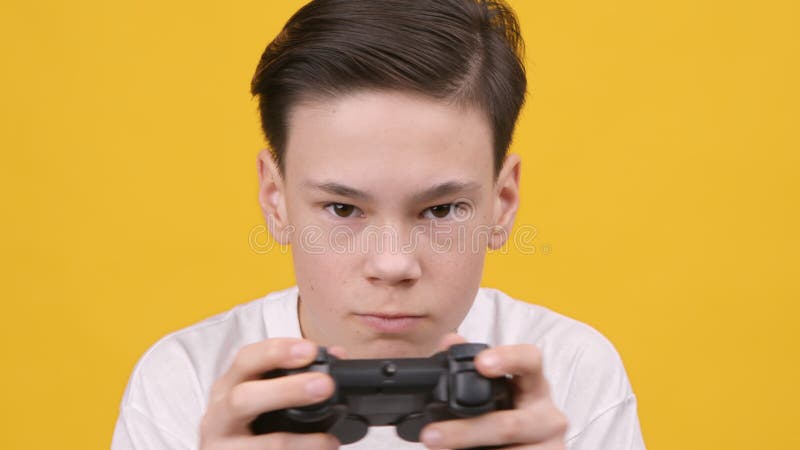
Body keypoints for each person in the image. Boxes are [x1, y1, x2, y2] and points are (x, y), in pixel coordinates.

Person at [111, 0, 646, 449]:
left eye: (441, 210)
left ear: (502, 203)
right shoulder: (187, 380)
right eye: (342, 209)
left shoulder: (568, 373)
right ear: (275, 200)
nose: (392, 265)